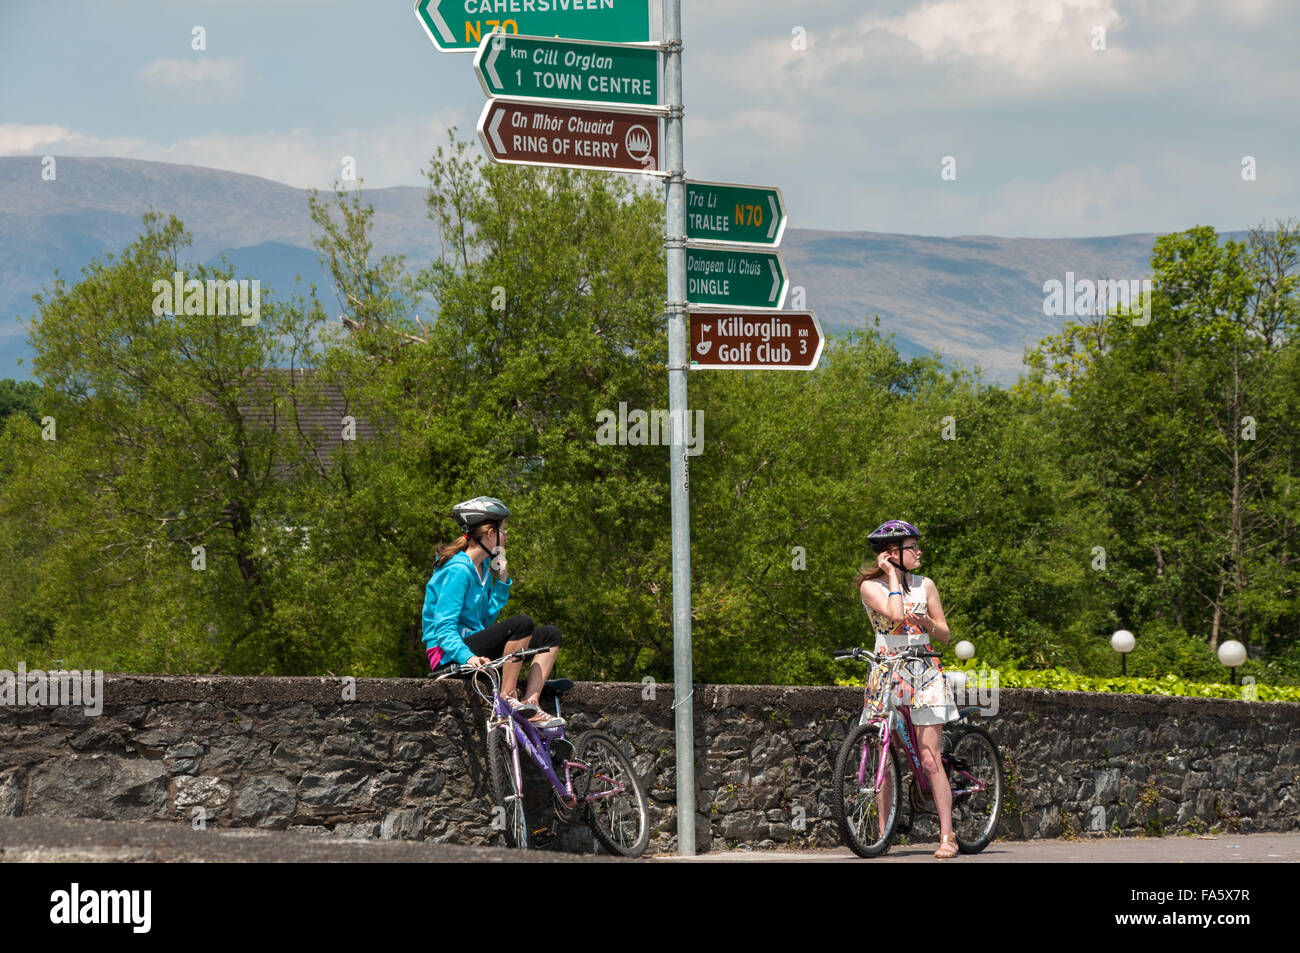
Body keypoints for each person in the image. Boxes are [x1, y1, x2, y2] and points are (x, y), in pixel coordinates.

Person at [856, 519, 959, 859]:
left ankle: (948, 836)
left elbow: (944, 633)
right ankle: (884, 835)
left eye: (917, 545)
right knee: (882, 758)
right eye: (912, 547)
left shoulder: (926, 585)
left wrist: (928, 622)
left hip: (924, 670)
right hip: (886, 670)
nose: (919, 551)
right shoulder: (872, 587)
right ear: (892, 553)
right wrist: (891, 577)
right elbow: (897, 614)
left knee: (930, 759)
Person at [422, 496, 563, 727]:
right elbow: (444, 627)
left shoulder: (483, 570)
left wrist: (502, 581)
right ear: (490, 534)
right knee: (522, 623)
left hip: (472, 648)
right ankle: (508, 698)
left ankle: (531, 705)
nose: (506, 537)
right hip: (449, 655)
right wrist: (467, 657)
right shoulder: (458, 570)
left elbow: (485, 620)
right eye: (503, 531)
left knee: (550, 635)